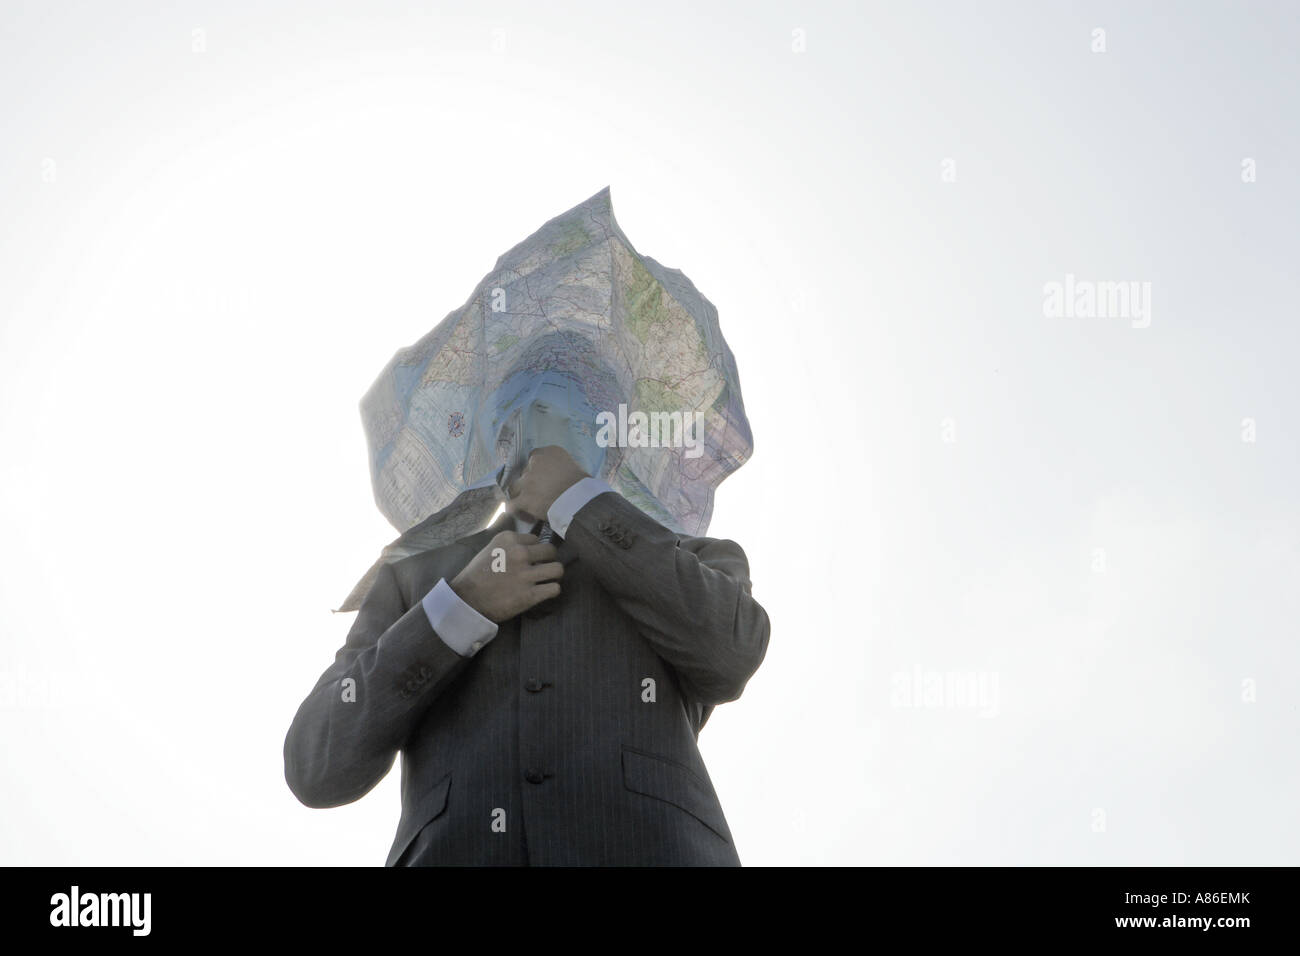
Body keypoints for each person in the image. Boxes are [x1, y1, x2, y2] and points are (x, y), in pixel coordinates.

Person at [282, 383, 771, 866]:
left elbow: (731, 654)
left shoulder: (694, 556)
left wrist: (577, 500)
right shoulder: (413, 576)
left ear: (610, 446)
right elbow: (317, 763)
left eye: (578, 413)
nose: (538, 427)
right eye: (521, 410)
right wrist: (461, 605)